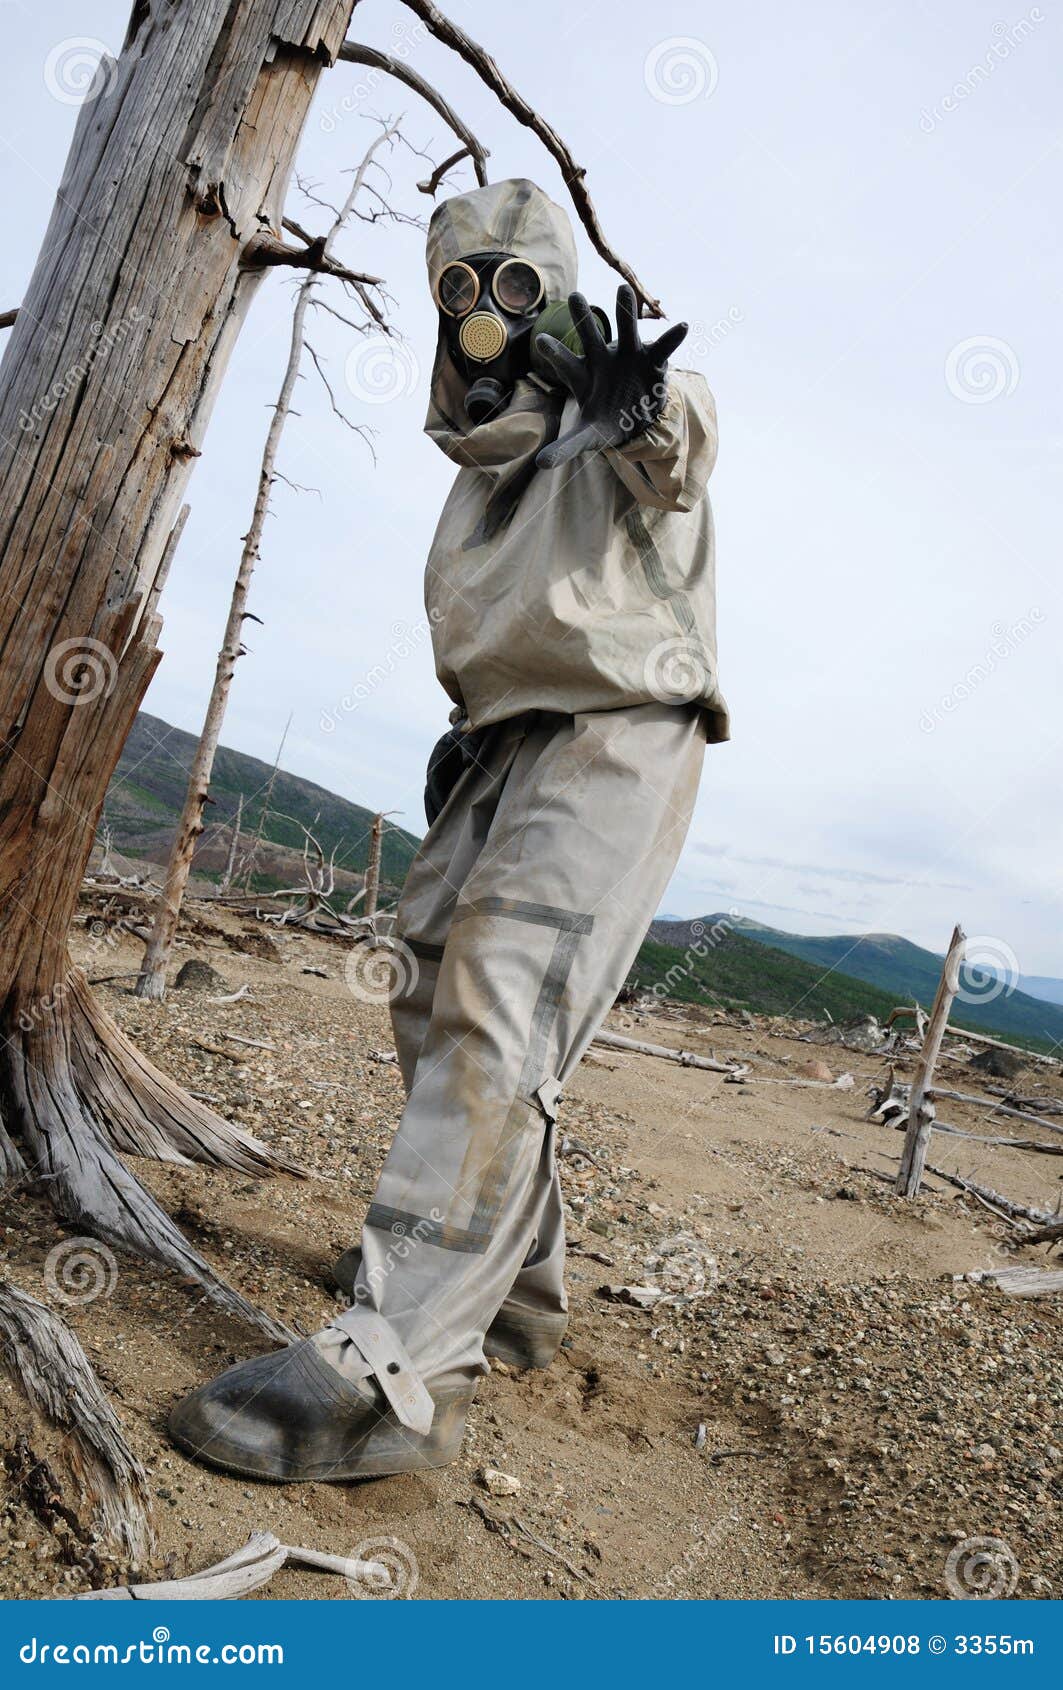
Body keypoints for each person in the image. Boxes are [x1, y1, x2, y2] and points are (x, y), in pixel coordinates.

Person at [169, 179, 728, 1483]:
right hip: (499, 738)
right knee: (425, 982)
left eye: (516, 286)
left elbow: (679, 442)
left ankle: (399, 1366)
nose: (487, 312)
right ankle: (512, 1286)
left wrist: (632, 395)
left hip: (618, 723)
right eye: (460, 288)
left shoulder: (613, 415)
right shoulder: (482, 476)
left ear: (559, 297)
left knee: (500, 996)